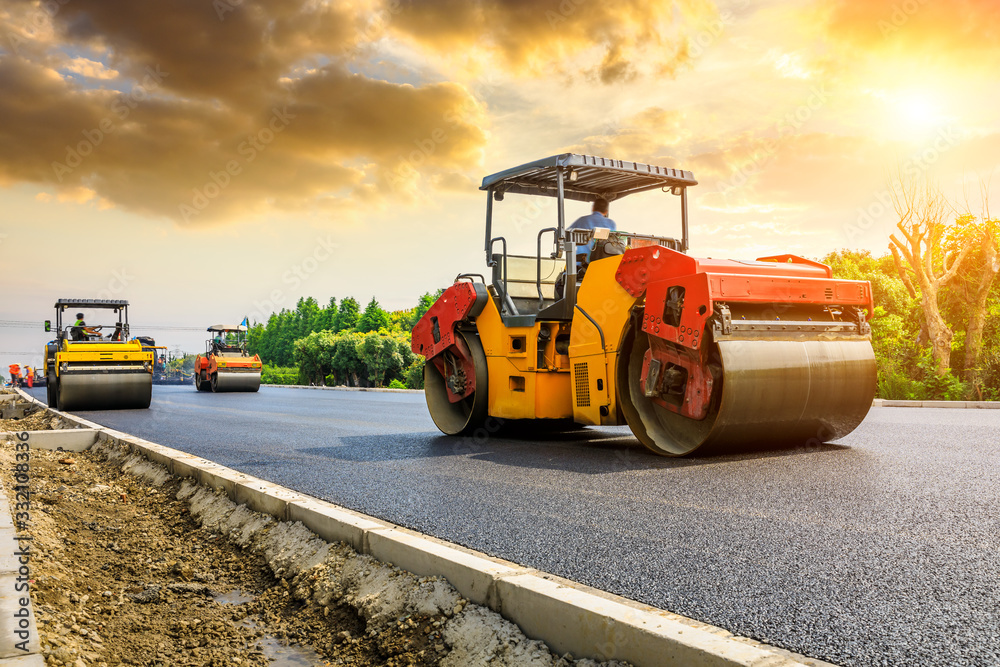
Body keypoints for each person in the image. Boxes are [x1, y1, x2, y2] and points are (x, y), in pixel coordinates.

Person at [567, 198, 616, 263]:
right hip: (604, 261)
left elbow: (566, 235)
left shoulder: (582, 220)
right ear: (606, 212)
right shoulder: (611, 223)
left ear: (593, 208)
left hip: (583, 262)